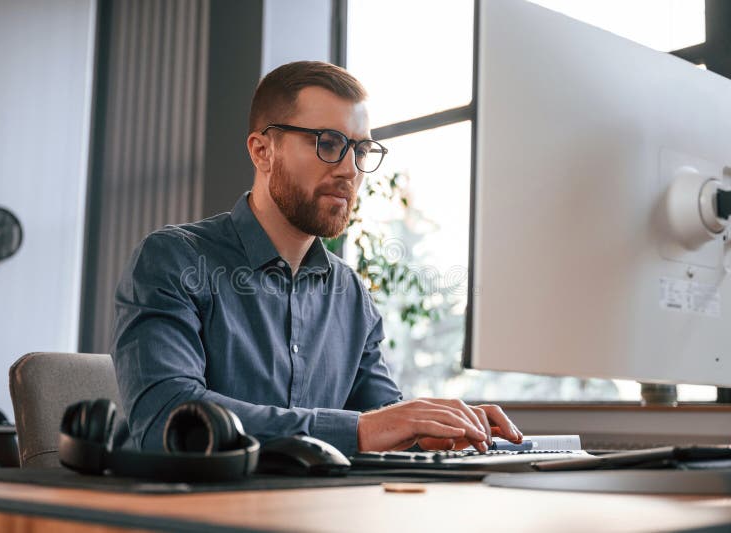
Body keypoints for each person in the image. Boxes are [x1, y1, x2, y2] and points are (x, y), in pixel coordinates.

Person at [112, 60, 523, 456]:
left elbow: (378, 418)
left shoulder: (350, 295)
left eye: (361, 150)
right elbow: (167, 419)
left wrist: (432, 429)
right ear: (262, 152)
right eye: (329, 143)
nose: (350, 170)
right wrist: (365, 429)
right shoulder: (173, 260)